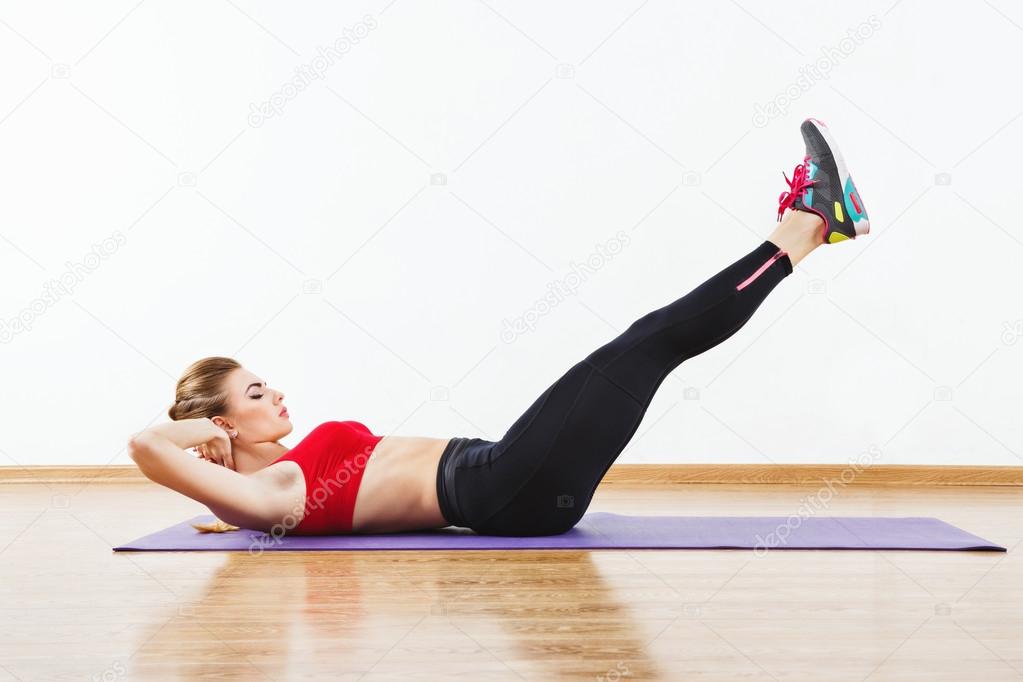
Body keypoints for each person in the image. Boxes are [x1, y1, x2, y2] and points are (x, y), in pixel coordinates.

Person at [128, 117, 870, 537]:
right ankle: (811, 223)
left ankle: (814, 226)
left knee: (646, 344)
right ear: (221, 423)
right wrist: (204, 442)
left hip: (504, 472)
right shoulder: (269, 494)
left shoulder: (262, 491)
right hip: (507, 486)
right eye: (255, 394)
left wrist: (218, 469)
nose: (276, 394)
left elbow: (222, 495)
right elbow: (145, 446)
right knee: (650, 342)